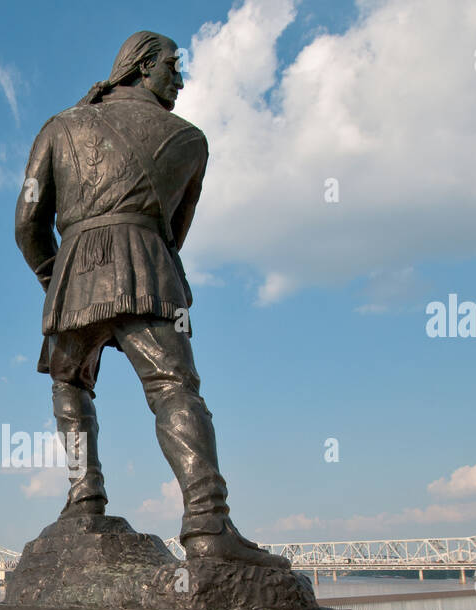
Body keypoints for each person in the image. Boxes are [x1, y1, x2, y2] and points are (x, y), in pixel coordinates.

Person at [15, 30, 289, 569]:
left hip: (75, 271)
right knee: (174, 389)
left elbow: (27, 221)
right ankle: (209, 524)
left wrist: (61, 279)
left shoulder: (57, 127)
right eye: (172, 66)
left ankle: (84, 495)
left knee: (70, 385)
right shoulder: (190, 141)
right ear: (141, 67)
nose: (180, 79)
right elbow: (174, 235)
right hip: (149, 268)